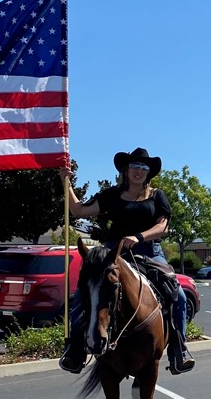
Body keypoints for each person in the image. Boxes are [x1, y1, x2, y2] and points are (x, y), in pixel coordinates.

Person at [57, 147, 195, 376]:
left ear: (148, 173)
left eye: (144, 168)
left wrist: (139, 237)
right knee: (84, 294)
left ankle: (179, 350)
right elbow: (79, 210)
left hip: (149, 251)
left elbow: (163, 226)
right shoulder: (111, 195)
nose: (139, 171)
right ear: (126, 170)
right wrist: (66, 183)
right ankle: (76, 350)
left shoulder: (156, 196)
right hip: (114, 252)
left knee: (178, 294)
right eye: (135, 167)